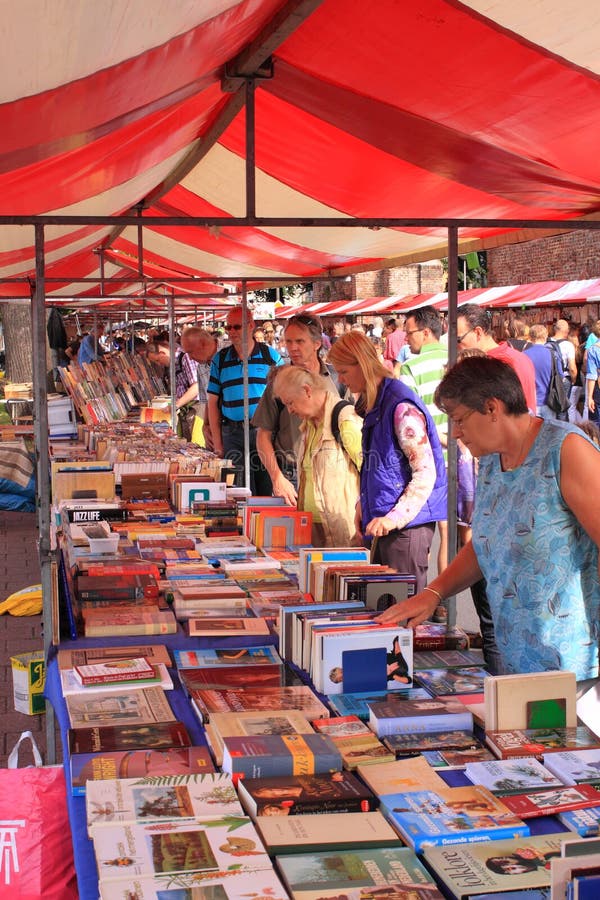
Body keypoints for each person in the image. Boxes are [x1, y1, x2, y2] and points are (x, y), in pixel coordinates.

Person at [377, 355, 600, 683]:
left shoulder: (565, 450)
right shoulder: (493, 461)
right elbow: (486, 543)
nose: (455, 433)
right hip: (520, 662)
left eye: (459, 420)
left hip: (575, 667)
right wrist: (434, 592)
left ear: (492, 408)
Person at [328, 332, 447, 592]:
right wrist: (364, 503)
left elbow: (426, 472)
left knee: (402, 609)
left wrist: (393, 518)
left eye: (344, 371)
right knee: (385, 607)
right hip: (389, 521)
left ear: (362, 364)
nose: (341, 380)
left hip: (405, 525)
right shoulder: (378, 401)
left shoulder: (399, 406)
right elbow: (377, 466)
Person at [252, 312, 351, 505]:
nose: (293, 348)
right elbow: (262, 436)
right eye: (288, 341)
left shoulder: (338, 378)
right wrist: (277, 478)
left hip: (333, 472)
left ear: (316, 343)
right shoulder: (279, 382)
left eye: (299, 341)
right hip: (292, 475)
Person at [272, 366, 362, 546]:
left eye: (290, 402)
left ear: (307, 391)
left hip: (342, 528)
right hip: (311, 526)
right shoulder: (309, 424)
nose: (289, 410)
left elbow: (368, 467)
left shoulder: (344, 417)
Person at [395, 306, 449, 575]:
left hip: (428, 458)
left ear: (426, 332)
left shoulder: (410, 367)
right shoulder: (459, 359)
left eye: (410, 333)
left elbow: (408, 417)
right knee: (452, 535)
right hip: (461, 456)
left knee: (424, 531)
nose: (406, 339)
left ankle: (433, 598)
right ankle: (447, 596)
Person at [207, 307, 282, 494]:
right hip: (232, 433)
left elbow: (284, 396)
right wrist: (217, 443)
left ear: (250, 325)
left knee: (265, 488)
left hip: (264, 432)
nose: (231, 331)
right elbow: (212, 403)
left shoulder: (270, 356)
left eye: (237, 327)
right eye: (228, 327)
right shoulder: (221, 359)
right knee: (237, 490)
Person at [455, 304, 537, 412]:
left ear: (478, 332)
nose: (455, 346)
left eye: (458, 339)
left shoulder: (494, 364)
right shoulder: (519, 357)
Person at [146, 338, 199, 441]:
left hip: (195, 410)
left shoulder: (186, 357)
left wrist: (176, 405)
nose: (159, 364)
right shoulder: (174, 364)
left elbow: (196, 386)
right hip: (186, 410)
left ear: (162, 352)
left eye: (158, 360)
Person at [180, 326, 218, 448]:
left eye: (190, 351)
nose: (190, 358)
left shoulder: (228, 354)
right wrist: (206, 425)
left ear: (203, 344)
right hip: (215, 426)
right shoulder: (201, 367)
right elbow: (205, 400)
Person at [523, 324, 556, 419]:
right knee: (550, 432)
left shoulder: (524, 355)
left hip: (530, 403)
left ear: (530, 337)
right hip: (549, 402)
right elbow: (559, 376)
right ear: (546, 336)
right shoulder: (553, 354)